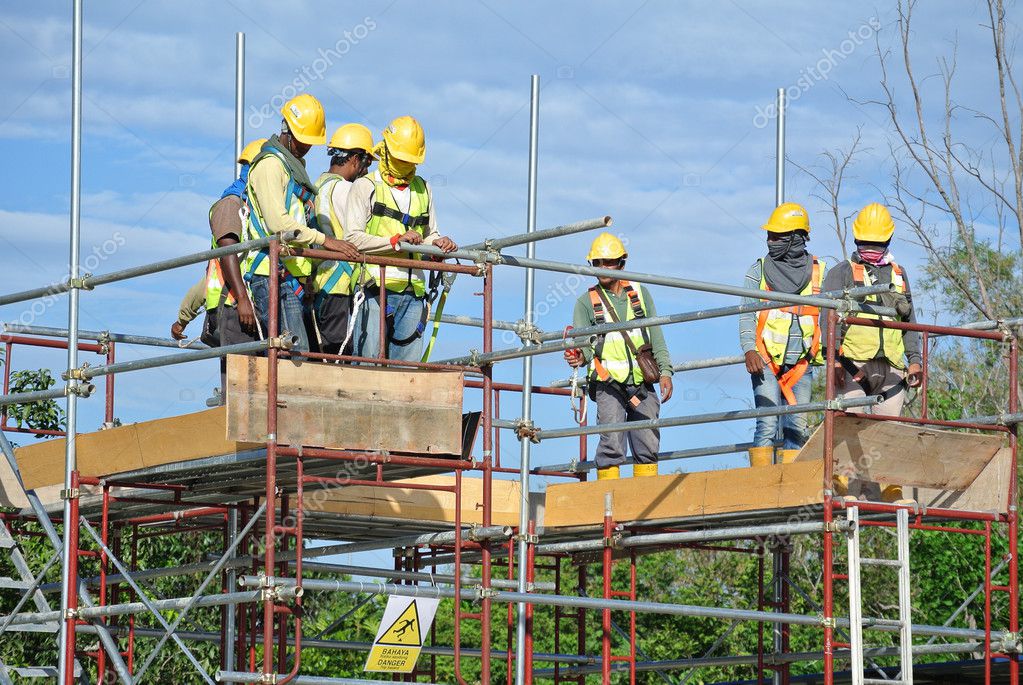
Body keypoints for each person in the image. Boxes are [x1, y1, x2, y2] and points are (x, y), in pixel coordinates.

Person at [241, 94, 360, 352]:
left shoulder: (291, 169)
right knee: (294, 356)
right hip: (271, 273)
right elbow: (279, 223)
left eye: (309, 143)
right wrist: (326, 240)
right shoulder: (270, 166)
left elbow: (296, 218)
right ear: (286, 129)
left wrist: (305, 274)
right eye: (302, 140)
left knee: (298, 356)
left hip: (289, 274)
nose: (305, 147)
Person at [820, 202, 922, 502]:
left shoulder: (899, 275)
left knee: (891, 430)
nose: (871, 249)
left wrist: (914, 361)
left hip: (891, 366)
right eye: (866, 243)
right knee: (848, 423)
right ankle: (843, 485)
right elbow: (827, 321)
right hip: (854, 365)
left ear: (888, 241)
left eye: (876, 244)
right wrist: (835, 360)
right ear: (856, 240)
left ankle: (890, 488)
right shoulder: (842, 273)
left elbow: (909, 321)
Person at [345, 115, 457, 361]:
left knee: (406, 375)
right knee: (368, 365)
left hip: (413, 292)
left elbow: (430, 234)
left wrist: (437, 243)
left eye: (410, 160)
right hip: (374, 287)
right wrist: (395, 241)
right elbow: (352, 239)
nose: (406, 164)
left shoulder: (423, 188)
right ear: (385, 149)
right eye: (401, 158)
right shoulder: (366, 186)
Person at [564, 233, 673, 480]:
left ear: (622, 263)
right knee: (611, 444)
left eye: (609, 261)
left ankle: (644, 505)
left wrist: (665, 371)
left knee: (648, 442)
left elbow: (656, 336)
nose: (603, 268)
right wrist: (579, 356)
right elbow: (584, 345)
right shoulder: (585, 303)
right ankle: (608, 508)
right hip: (607, 384)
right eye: (598, 262)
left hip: (642, 382)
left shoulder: (640, 294)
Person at [738, 203, 825, 468]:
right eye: (769, 235)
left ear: (795, 238)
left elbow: (832, 319)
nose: (769, 241)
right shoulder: (759, 269)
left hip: (801, 363)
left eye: (776, 236)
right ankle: (761, 490)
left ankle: (790, 489)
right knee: (766, 422)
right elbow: (745, 312)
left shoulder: (819, 270)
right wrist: (748, 349)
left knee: (797, 426)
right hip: (765, 359)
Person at [312, 124, 376, 354]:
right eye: (367, 163)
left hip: (320, 282)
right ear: (355, 159)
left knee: (322, 353)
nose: (366, 171)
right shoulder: (345, 190)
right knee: (339, 355)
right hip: (338, 284)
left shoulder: (318, 185)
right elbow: (364, 231)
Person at [209, 138, 265, 347]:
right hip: (234, 305)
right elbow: (228, 252)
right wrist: (242, 299)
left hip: (250, 301)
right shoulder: (231, 204)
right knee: (241, 377)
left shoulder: (252, 207)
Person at [170, 276, 215, 346]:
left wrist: (181, 321)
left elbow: (199, 291)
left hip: (227, 318)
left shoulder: (220, 267)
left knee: (231, 352)